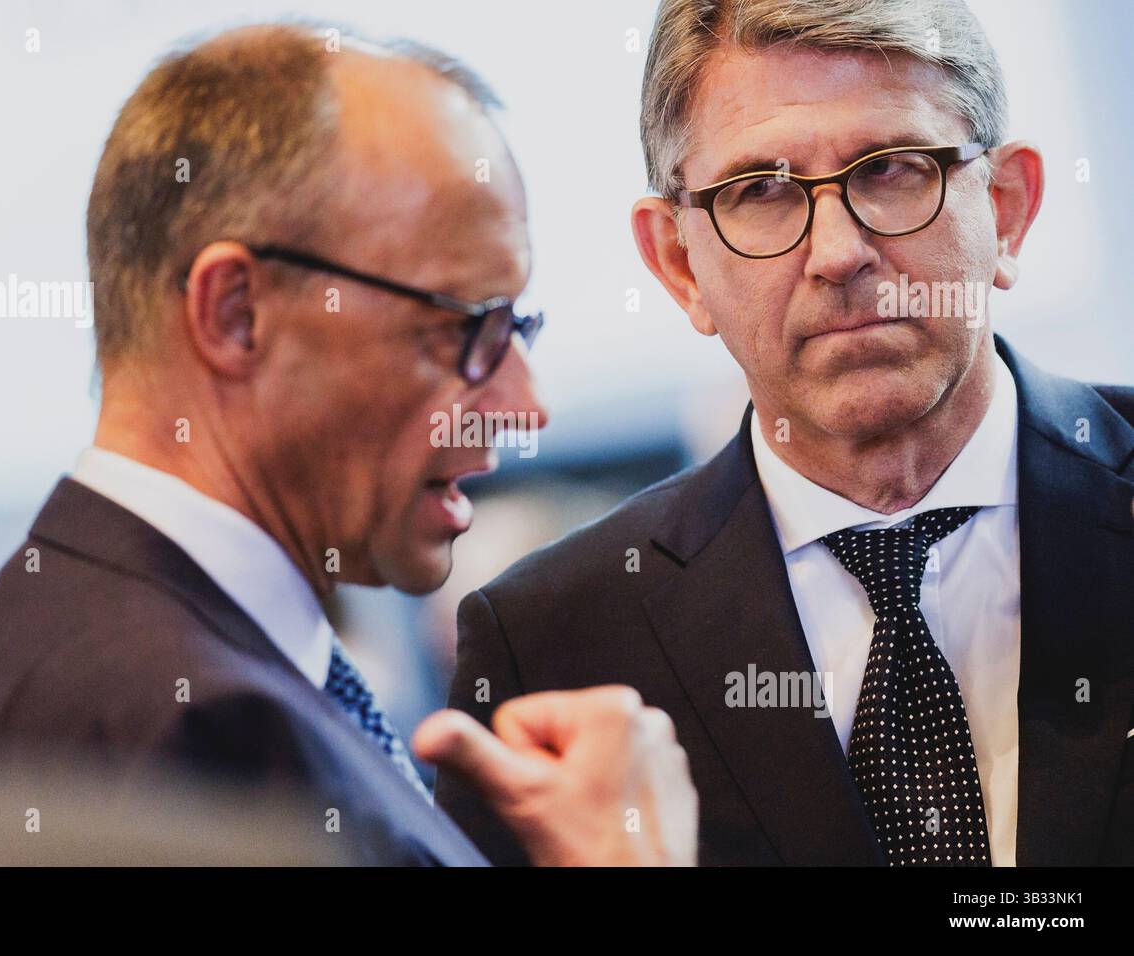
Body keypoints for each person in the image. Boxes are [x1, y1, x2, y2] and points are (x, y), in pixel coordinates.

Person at [0, 23, 696, 867]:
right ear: (236, 315)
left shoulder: (146, 655)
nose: (523, 407)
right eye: (470, 327)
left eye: (520, 328)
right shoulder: (187, 738)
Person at [438, 0, 1134, 866]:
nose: (839, 252)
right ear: (680, 265)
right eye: (760, 192)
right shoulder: (550, 645)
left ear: (1008, 207)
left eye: (891, 170)